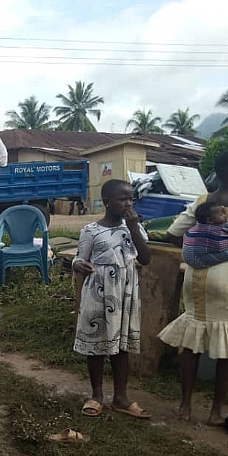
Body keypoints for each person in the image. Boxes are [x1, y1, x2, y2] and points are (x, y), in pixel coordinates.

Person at [160, 150, 228, 425]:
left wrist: (200, 251)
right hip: (226, 279)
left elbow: (173, 234)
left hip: (196, 276)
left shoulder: (201, 201)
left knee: (192, 342)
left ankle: (185, 407)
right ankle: (216, 412)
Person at [73, 178, 152, 419]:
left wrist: (135, 227)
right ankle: (96, 395)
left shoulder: (134, 229)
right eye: (122, 199)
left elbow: (146, 258)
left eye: (131, 198)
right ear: (107, 202)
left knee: (121, 346)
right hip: (97, 293)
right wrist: (80, 265)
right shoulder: (91, 231)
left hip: (125, 293)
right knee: (96, 346)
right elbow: (78, 259)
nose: (128, 203)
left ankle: (121, 397)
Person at [181, 202, 228, 269]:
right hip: (201, 258)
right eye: (221, 214)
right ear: (210, 220)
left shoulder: (195, 229)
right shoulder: (215, 232)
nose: (225, 216)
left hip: (188, 258)